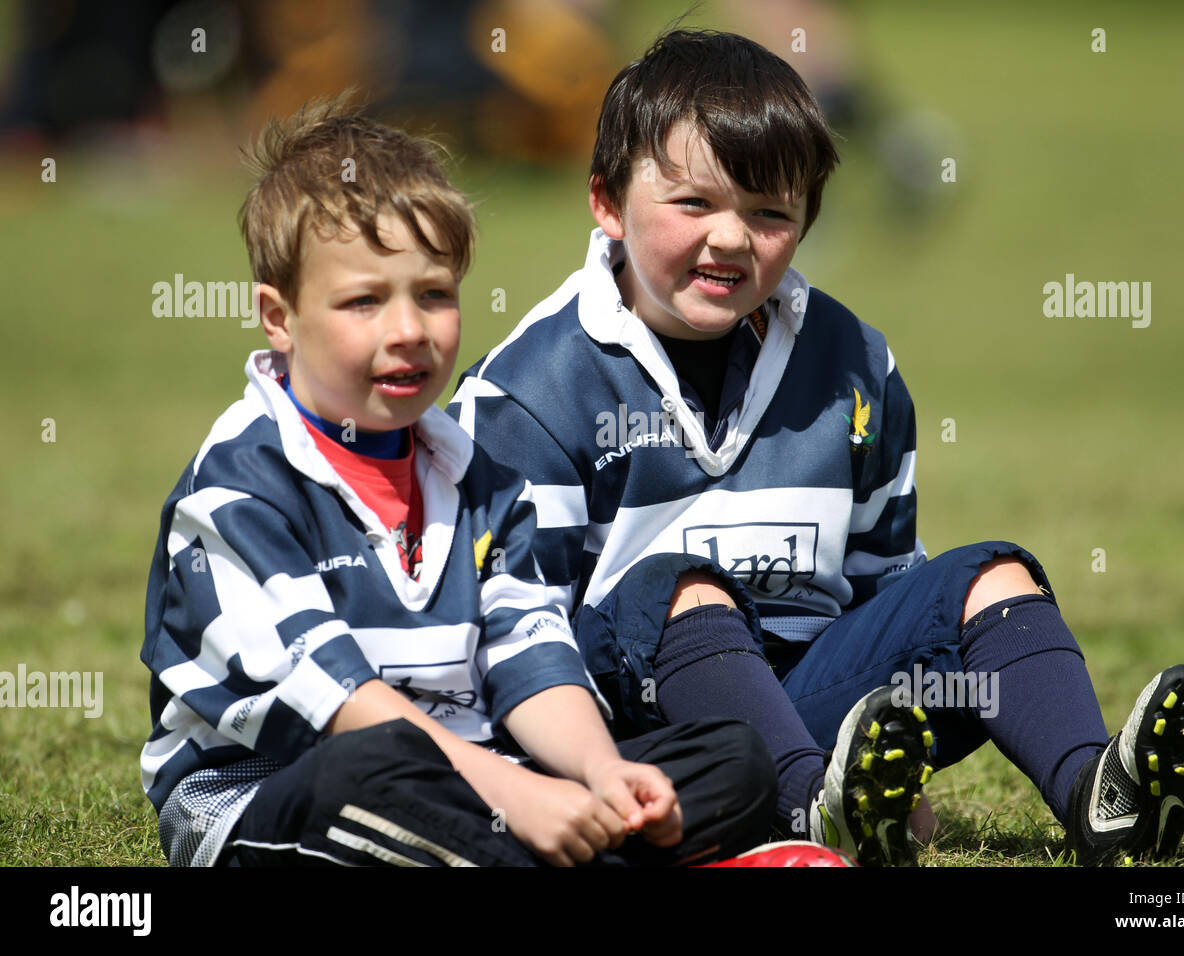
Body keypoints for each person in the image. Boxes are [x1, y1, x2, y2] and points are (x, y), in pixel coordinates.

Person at [448, 29, 1184, 866]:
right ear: (607, 200)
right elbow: (506, 634)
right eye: (693, 204)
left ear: (808, 222)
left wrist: (881, 745)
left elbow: (884, 582)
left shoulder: (856, 364)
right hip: (637, 733)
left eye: (770, 213)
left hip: (811, 705)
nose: (731, 239)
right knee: (679, 588)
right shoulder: (527, 391)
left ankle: (1100, 798)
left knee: (993, 573)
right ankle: (807, 810)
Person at [138, 94, 778, 868]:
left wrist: (600, 773)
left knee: (734, 761)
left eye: (434, 294)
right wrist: (519, 799)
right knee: (369, 775)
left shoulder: (480, 477)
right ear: (279, 317)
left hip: (475, 784)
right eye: (364, 301)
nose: (409, 330)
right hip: (285, 792)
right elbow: (344, 707)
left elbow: (531, 658)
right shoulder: (238, 490)